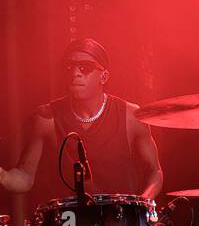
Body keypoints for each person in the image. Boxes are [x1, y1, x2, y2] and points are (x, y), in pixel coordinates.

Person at [0, 38, 163, 203]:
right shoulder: (46, 118)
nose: (75, 73)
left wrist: (141, 204)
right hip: (69, 222)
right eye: (69, 67)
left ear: (104, 77)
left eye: (85, 68)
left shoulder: (131, 116)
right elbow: (25, 176)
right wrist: (3, 177)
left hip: (121, 220)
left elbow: (154, 171)